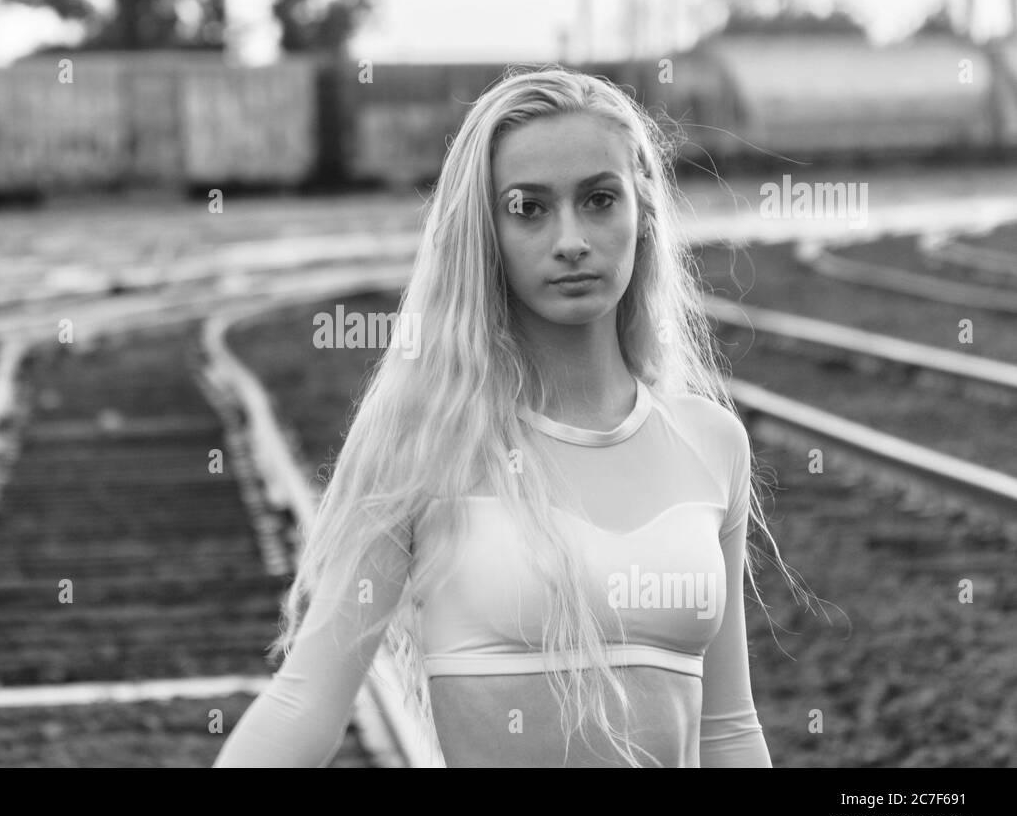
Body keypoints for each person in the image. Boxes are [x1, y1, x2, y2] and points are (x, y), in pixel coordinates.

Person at [213, 65, 813, 768]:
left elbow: (728, 729)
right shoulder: (423, 437)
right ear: (485, 229)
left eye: (598, 200)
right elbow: (304, 703)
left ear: (642, 212)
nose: (571, 240)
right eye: (529, 207)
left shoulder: (711, 443)